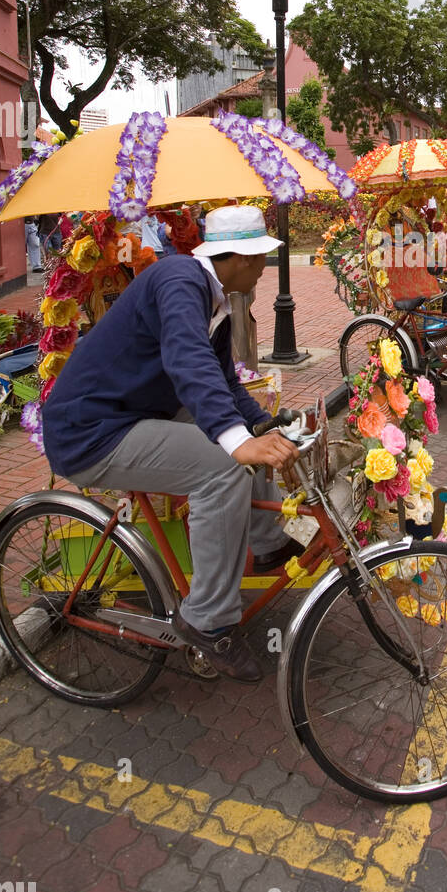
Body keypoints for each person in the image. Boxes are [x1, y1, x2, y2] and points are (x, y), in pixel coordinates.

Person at [41, 205, 301, 682]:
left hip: (138, 411)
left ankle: (267, 543)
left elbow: (221, 380)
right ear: (240, 259)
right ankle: (207, 620)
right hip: (91, 430)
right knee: (223, 466)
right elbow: (187, 361)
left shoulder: (215, 299)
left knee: (253, 440)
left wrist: (261, 427)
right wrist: (235, 441)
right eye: (260, 259)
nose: (263, 269)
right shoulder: (180, 280)